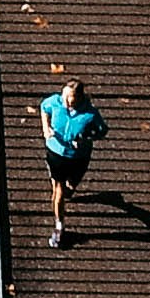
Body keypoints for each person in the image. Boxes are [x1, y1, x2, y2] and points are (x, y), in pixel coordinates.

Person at [36, 72, 100, 249]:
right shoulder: (55, 102)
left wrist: (85, 138)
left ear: (78, 98)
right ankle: (59, 226)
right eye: (64, 97)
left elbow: (102, 131)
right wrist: (46, 128)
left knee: (72, 185)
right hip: (56, 152)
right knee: (58, 190)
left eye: (70, 99)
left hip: (78, 157)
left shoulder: (90, 114)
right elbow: (44, 108)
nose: (65, 102)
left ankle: (70, 188)